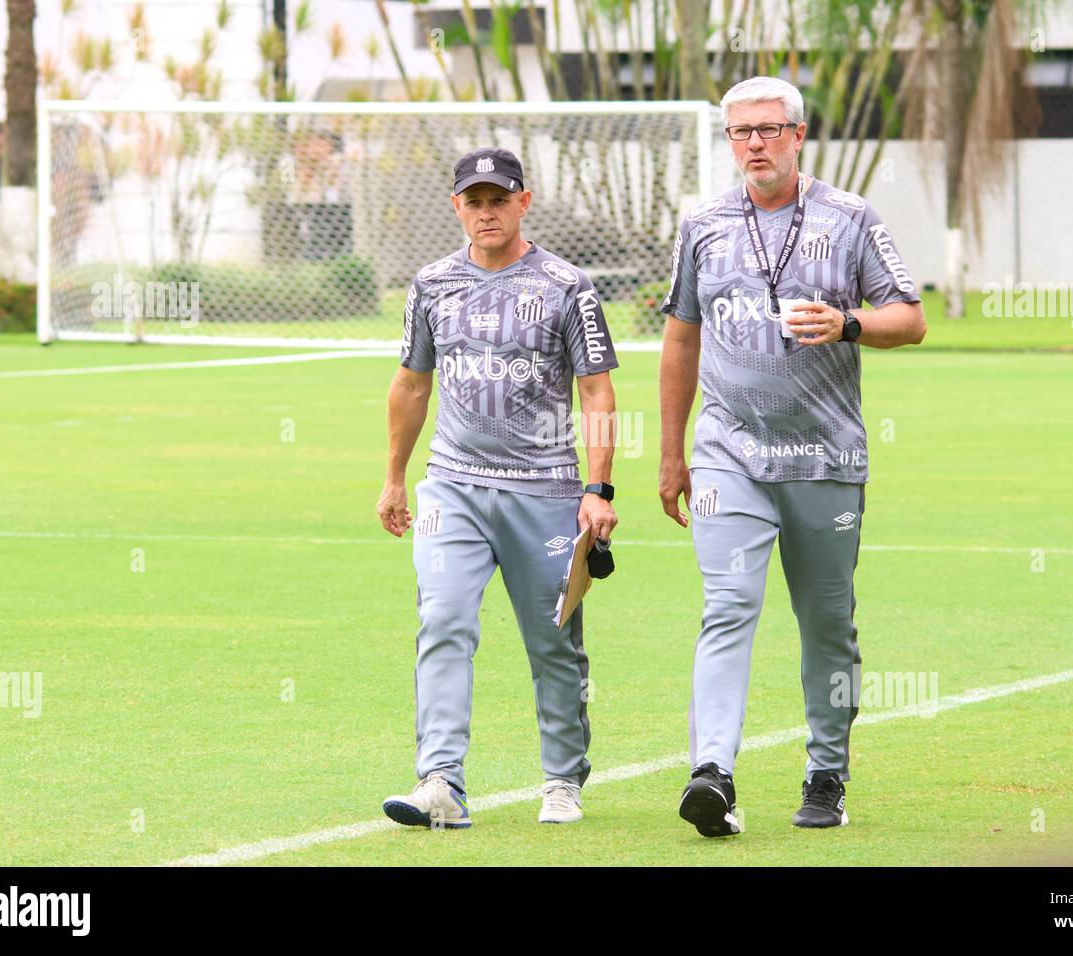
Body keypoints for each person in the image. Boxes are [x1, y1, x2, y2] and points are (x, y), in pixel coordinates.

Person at [658, 77, 926, 837]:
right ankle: (712, 772)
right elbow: (681, 336)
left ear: (798, 135)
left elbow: (910, 319)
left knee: (827, 625)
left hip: (825, 461)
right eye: (740, 131)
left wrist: (846, 324)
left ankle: (826, 772)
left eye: (769, 129)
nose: (754, 143)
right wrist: (672, 454)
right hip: (728, 456)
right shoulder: (703, 224)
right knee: (728, 607)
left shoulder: (849, 219)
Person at [378, 146, 619, 828]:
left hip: (546, 490)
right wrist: (396, 477)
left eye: (498, 199)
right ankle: (441, 783)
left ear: (523, 202)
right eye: (473, 201)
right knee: (444, 621)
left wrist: (599, 488)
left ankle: (563, 779)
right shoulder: (431, 285)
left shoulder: (568, 285)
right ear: (457, 206)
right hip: (451, 487)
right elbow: (412, 383)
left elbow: (598, 391)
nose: (486, 212)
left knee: (553, 639)